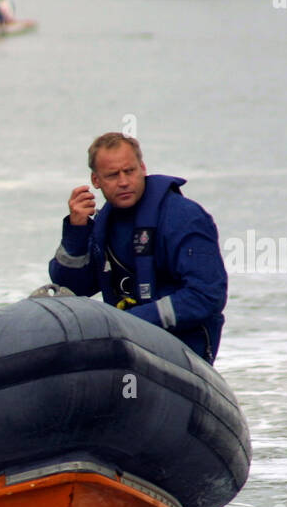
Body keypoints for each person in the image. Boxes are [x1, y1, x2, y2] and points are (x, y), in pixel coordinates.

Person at [46, 133, 227, 363]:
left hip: (183, 355)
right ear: (96, 180)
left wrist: (128, 322)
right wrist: (76, 230)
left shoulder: (184, 217)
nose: (123, 182)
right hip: (127, 352)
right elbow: (72, 289)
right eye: (112, 175)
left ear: (142, 168)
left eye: (129, 171)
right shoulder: (103, 225)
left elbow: (207, 295)